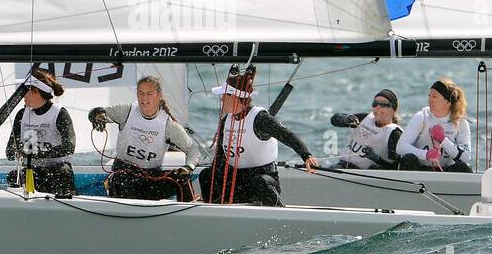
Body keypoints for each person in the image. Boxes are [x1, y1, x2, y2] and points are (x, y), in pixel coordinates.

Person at [197, 69, 319, 206]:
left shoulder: (260, 118)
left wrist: (306, 155)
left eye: (224, 96)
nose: (221, 99)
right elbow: (220, 156)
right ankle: (215, 212)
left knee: (259, 181)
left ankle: (277, 212)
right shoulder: (226, 120)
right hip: (236, 181)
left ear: (234, 97)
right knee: (207, 175)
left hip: (262, 179)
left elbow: (286, 135)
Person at [89, 75, 200, 200]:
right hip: (124, 173)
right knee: (122, 180)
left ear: (159, 96)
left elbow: (193, 149)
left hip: (151, 179)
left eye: (149, 94)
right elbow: (99, 112)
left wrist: (188, 167)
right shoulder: (127, 111)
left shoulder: (168, 125)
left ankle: (186, 215)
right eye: (140, 93)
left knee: (181, 180)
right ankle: (126, 215)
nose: (144, 98)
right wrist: (95, 116)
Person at [6, 69, 76, 195]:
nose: (22, 96)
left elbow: (69, 147)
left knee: (61, 173)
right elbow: (10, 152)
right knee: (13, 176)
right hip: (31, 170)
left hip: (57, 171)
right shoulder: (21, 114)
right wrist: (19, 152)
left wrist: (37, 153)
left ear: (36, 92)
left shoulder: (59, 113)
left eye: (25, 92)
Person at [397, 78, 472, 173]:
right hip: (419, 169)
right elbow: (400, 147)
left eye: (434, 96)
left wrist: (444, 140)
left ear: (447, 102)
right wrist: (426, 154)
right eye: (429, 96)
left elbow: (466, 157)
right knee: (408, 159)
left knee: (464, 168)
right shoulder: (422, 116)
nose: (430, 100)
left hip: (445, 171)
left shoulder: (460, 122)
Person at [330, 89, 403, 169]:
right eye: (375, 104)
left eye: (383, 105)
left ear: (394, 110)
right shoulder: (365, 118)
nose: (378, 107)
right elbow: (334, 120)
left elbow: (396, 167)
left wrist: (376, 158)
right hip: (341, 166)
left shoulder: (394, 133)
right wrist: (346, 118)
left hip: (364, 175)